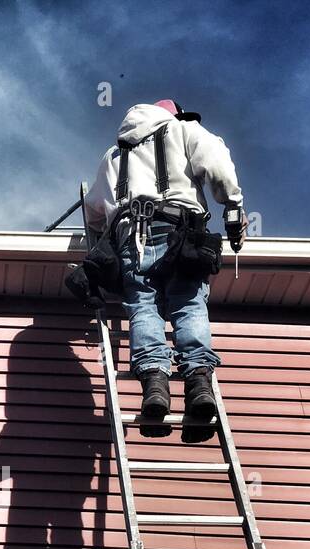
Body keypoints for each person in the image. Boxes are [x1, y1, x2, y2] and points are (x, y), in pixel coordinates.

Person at [83, 99, 245, 441]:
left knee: (143, 305)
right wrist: (232, 205)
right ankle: (198, 382)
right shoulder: (184, 129)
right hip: (180, 229)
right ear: (172, 114)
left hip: (130, 238)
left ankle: (154, 385)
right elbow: (216, 165)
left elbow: (95, 212)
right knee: (187, 303)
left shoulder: (113, 155)